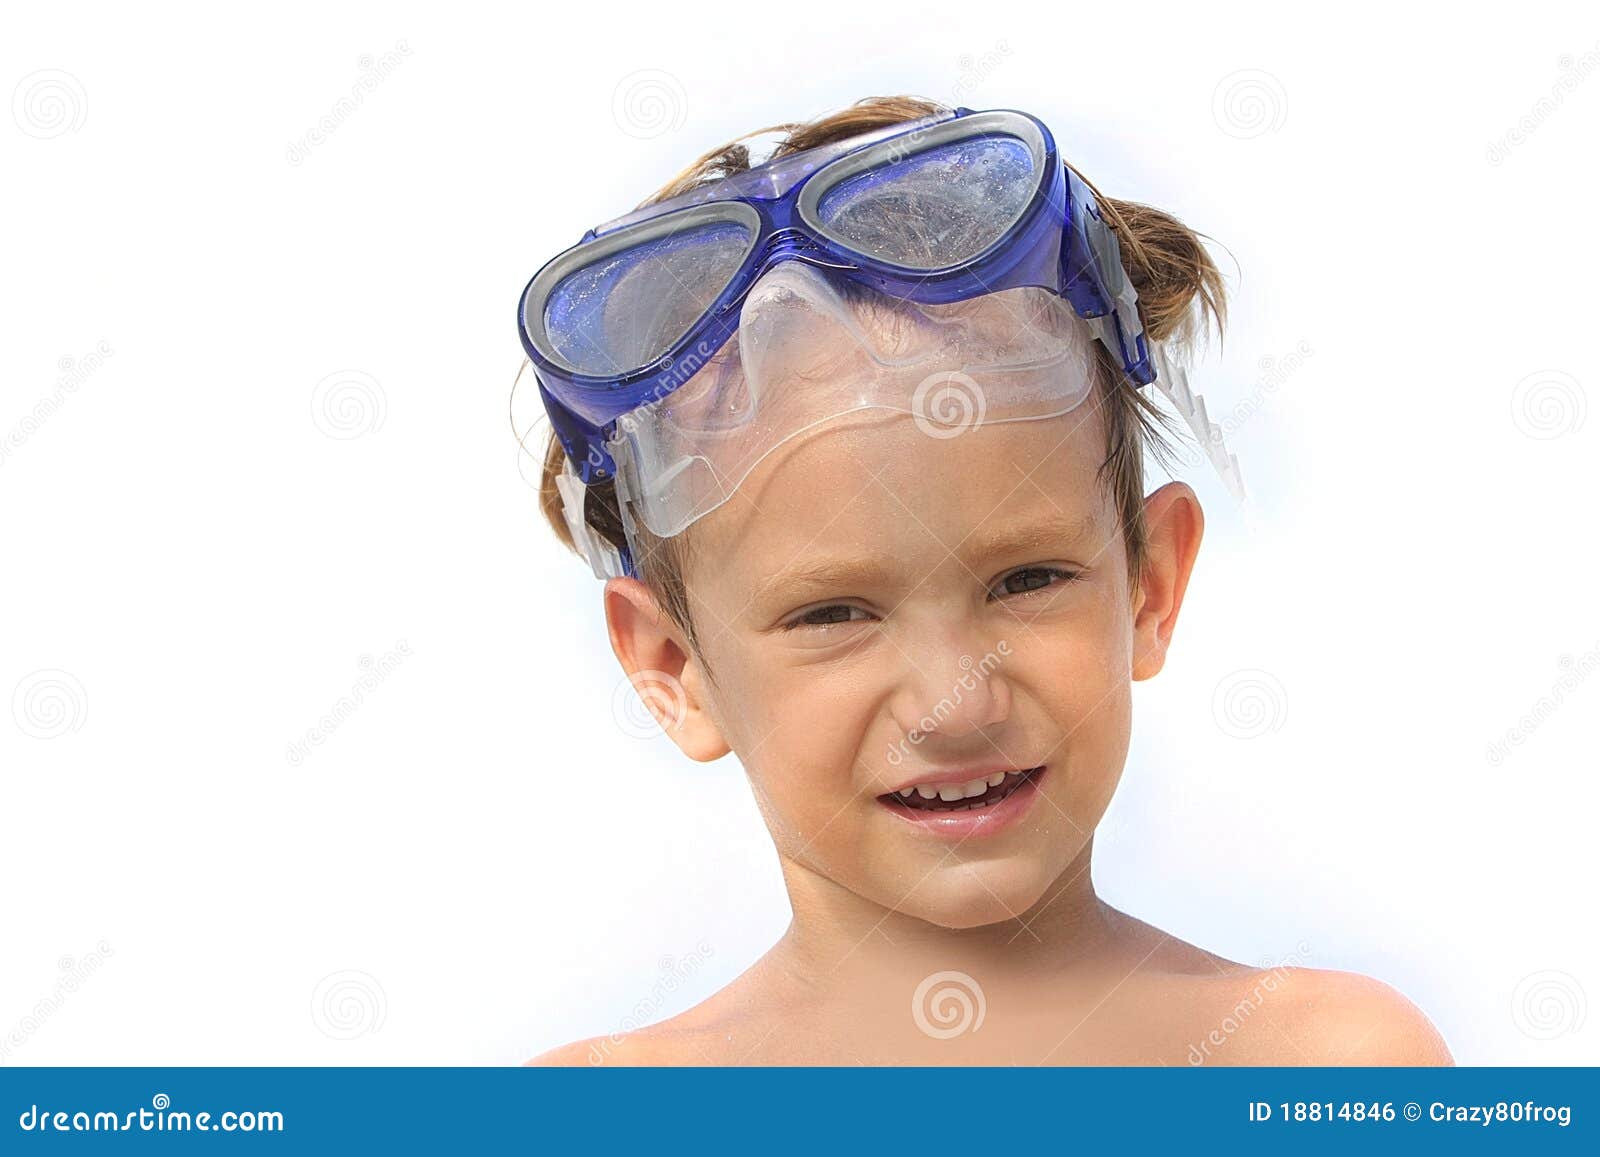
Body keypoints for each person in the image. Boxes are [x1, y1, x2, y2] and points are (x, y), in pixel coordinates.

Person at [517, 95, 1451, 1065]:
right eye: (833, 611)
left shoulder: (1327, 1063)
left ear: (1150, 583)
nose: (953, 700)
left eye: (1025, 579)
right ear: (673, 666)